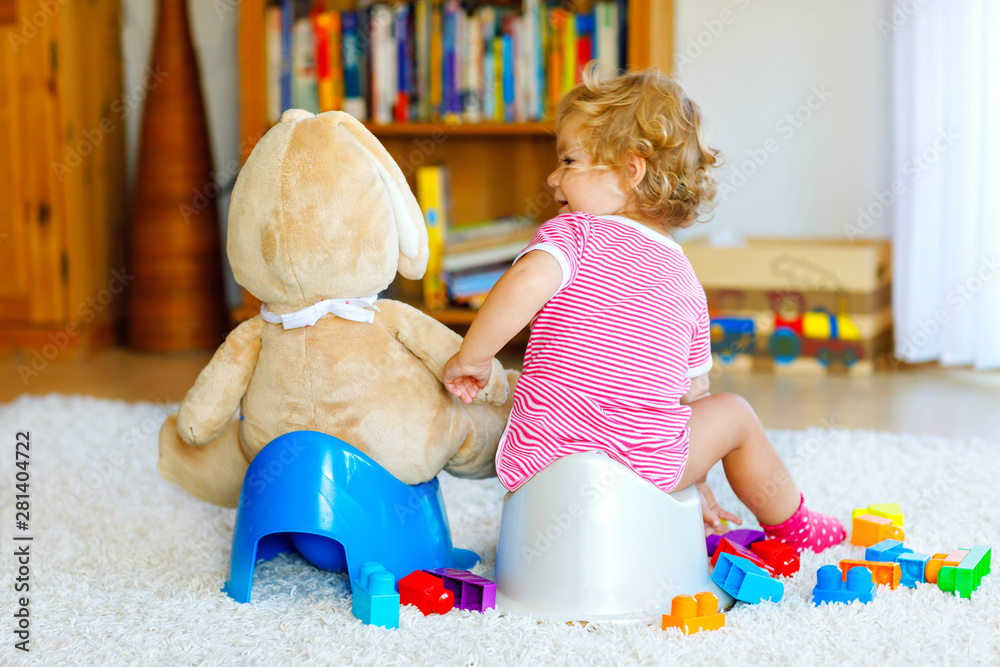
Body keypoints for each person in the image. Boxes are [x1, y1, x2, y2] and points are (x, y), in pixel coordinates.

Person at [442, 65, 845, 554]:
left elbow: (523, 282)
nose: (553, 177)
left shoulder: (573, 233)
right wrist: (691, 482)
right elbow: (687, 399)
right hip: (649, 470)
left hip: (543, 461)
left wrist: (473, 358)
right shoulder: (686, 281)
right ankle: (792, 522)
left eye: (568, 161)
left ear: (630, 171)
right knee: (734, 416)